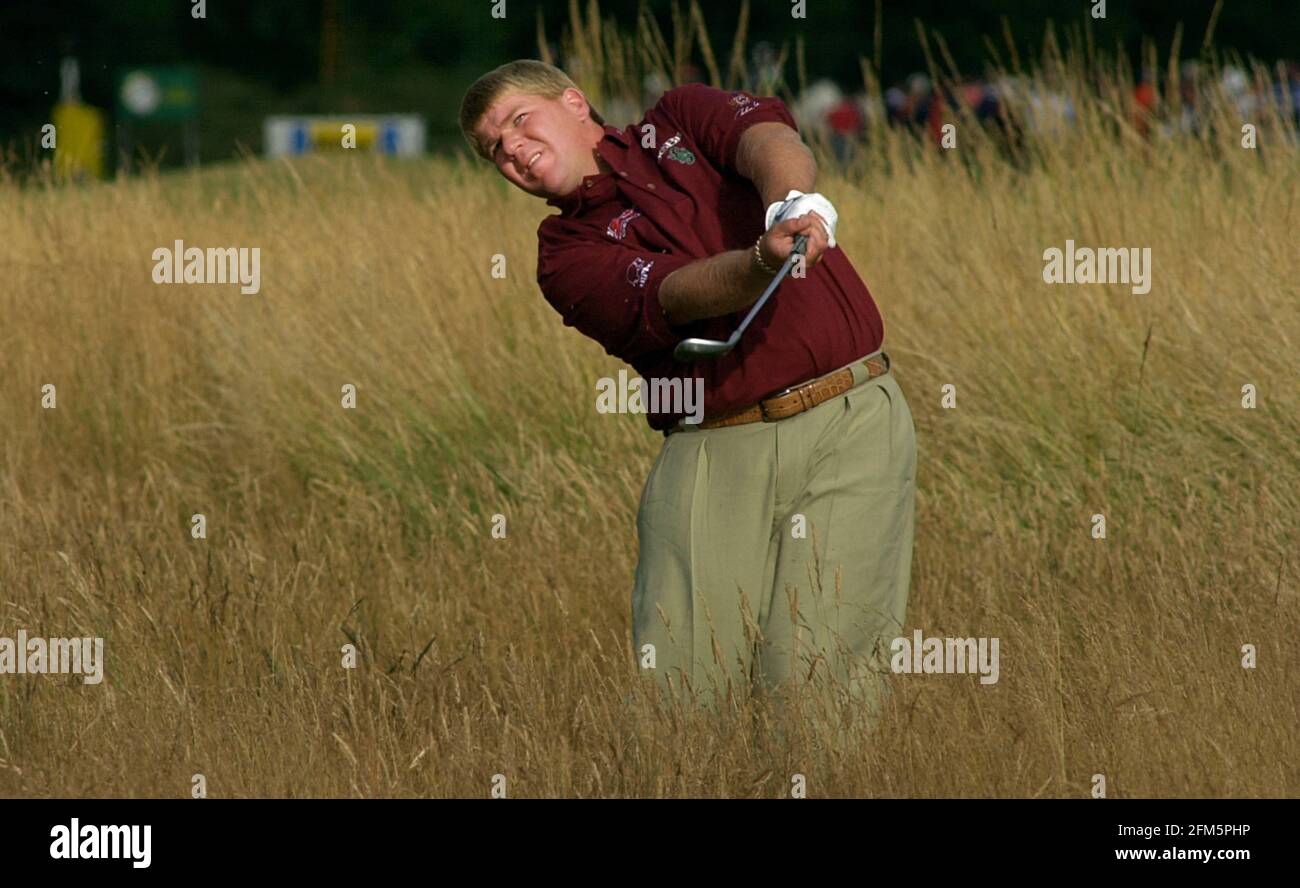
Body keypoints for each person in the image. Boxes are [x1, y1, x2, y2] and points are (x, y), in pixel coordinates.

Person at [459, 60, 916, 722]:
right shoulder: (564, 255)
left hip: (853, 416)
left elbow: (768, 139)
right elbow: (679, 294)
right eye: (494, 149)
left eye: (518, 121)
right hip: (713, 446)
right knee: (682, 687)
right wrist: (765, 258)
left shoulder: (678, 117)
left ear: (573, 101)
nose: (512, 150)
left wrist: (792, 204)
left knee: (819, 680)